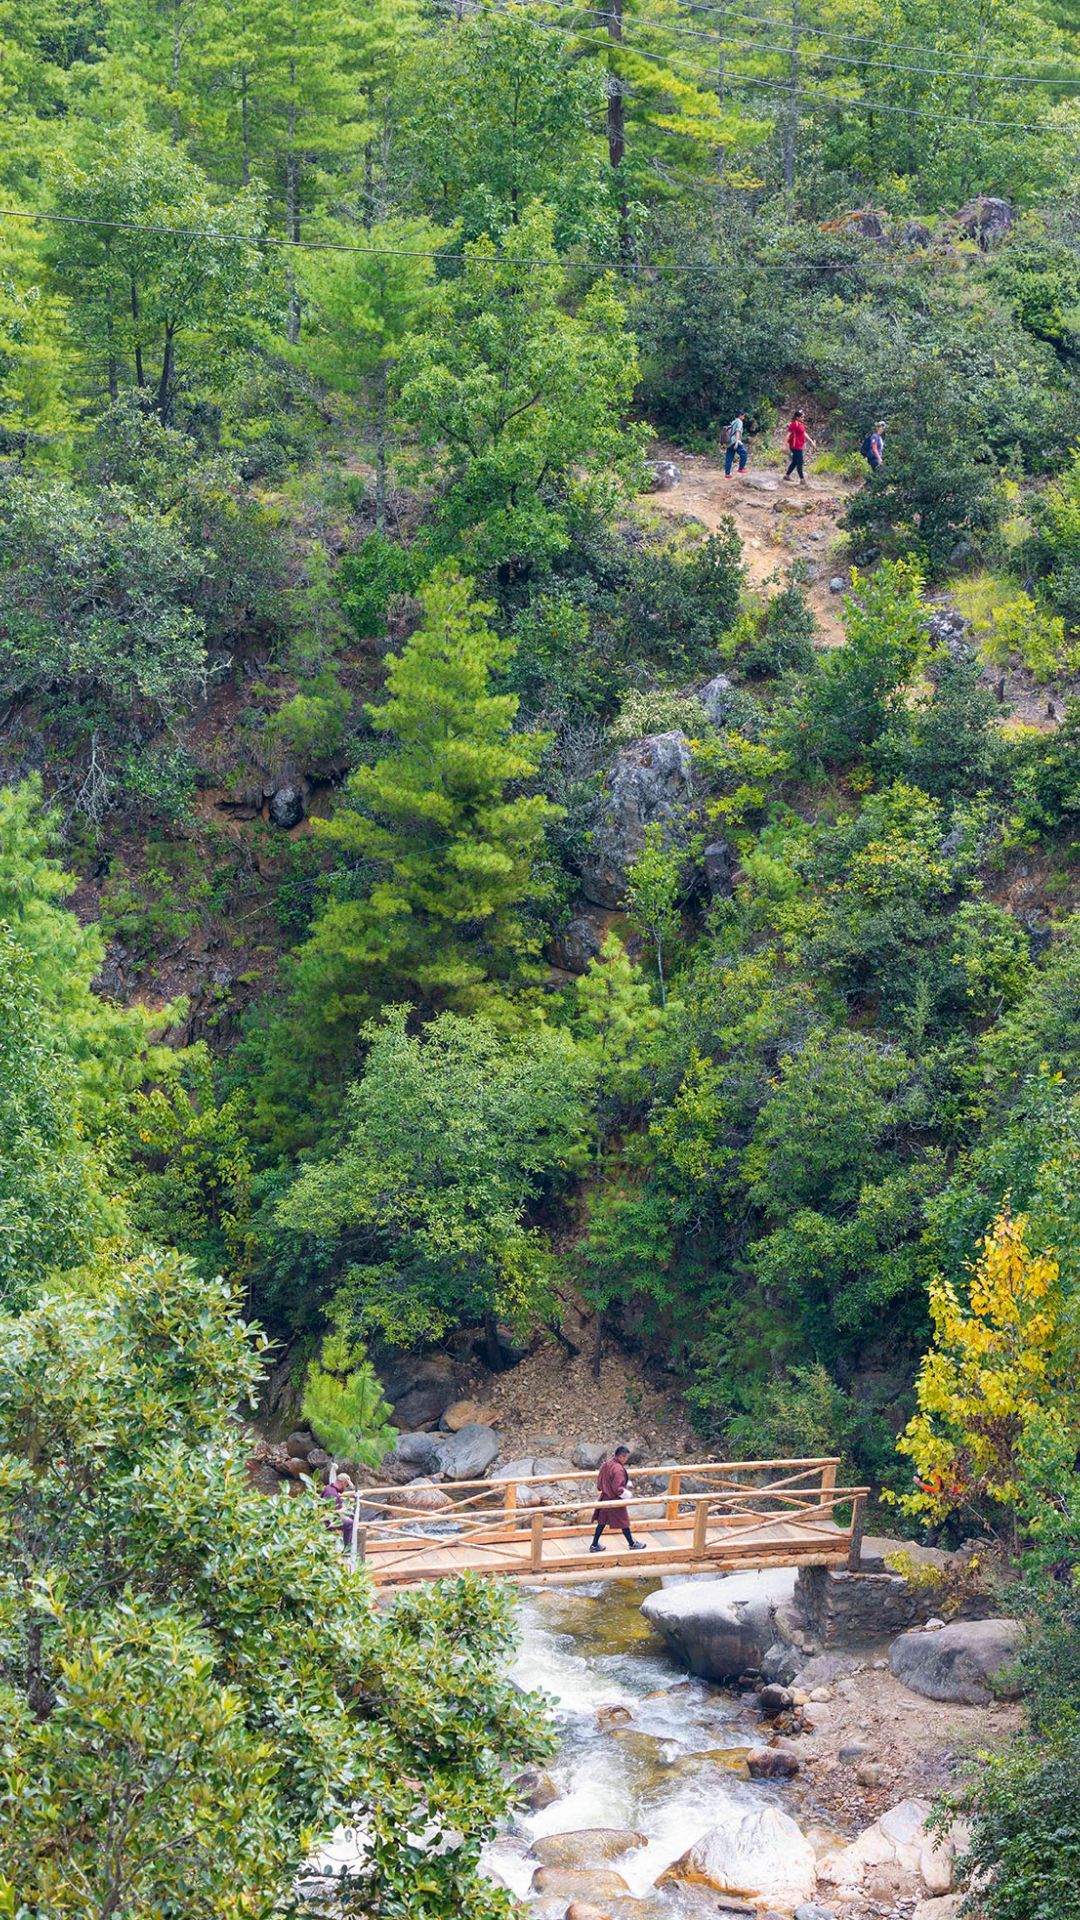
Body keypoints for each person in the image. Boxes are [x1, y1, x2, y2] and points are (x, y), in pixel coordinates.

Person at [590, 1446, 646, 1553]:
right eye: (625, 1457)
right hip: (614, 1499)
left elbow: (601, 1479)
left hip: (605, 1497)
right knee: (624, 1522)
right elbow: (617, 1488)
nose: (625, 1460)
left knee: (601, 1523)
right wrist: (627, 1494)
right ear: (621, 1456)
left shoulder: (607, 1464)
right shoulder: (618, 1469)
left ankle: (594, 1544)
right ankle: (632, 1543)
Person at [321, 1470, 356, 1552]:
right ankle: (347, 1549)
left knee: (348, 1520)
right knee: (350, 1523)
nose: (345, 1488)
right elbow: (332, 1513)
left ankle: (344, 1545)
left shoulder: (329, 1488)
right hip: (327, 1522)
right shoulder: (332, 1494)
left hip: (325, 1518)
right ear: (343, 1483)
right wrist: (344, 1511)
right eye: (346, 1485)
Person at [784, 408, 816, 484]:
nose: (803, 418)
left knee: (795, 462)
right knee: (800, 462)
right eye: (802, 417)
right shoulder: (794, 424)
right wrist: (784, 445)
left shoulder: (801, 424)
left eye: (803, 417)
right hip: (795, 447)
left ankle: (787, 475)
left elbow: (804, 433)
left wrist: (811, 442)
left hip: (799, 446)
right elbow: (788, 435)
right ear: (797, 417)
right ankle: (802, 479)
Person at [724, 412, 748, 477]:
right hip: (735, 441)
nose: (744, 417)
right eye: (743, 416)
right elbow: (737, 431)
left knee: (729, 458)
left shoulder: (733, 422)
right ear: (740, 416)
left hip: (729, 442)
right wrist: (737, 442)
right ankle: (741, 468)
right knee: (744, 454)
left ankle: (727, 474)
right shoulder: (739, 422)